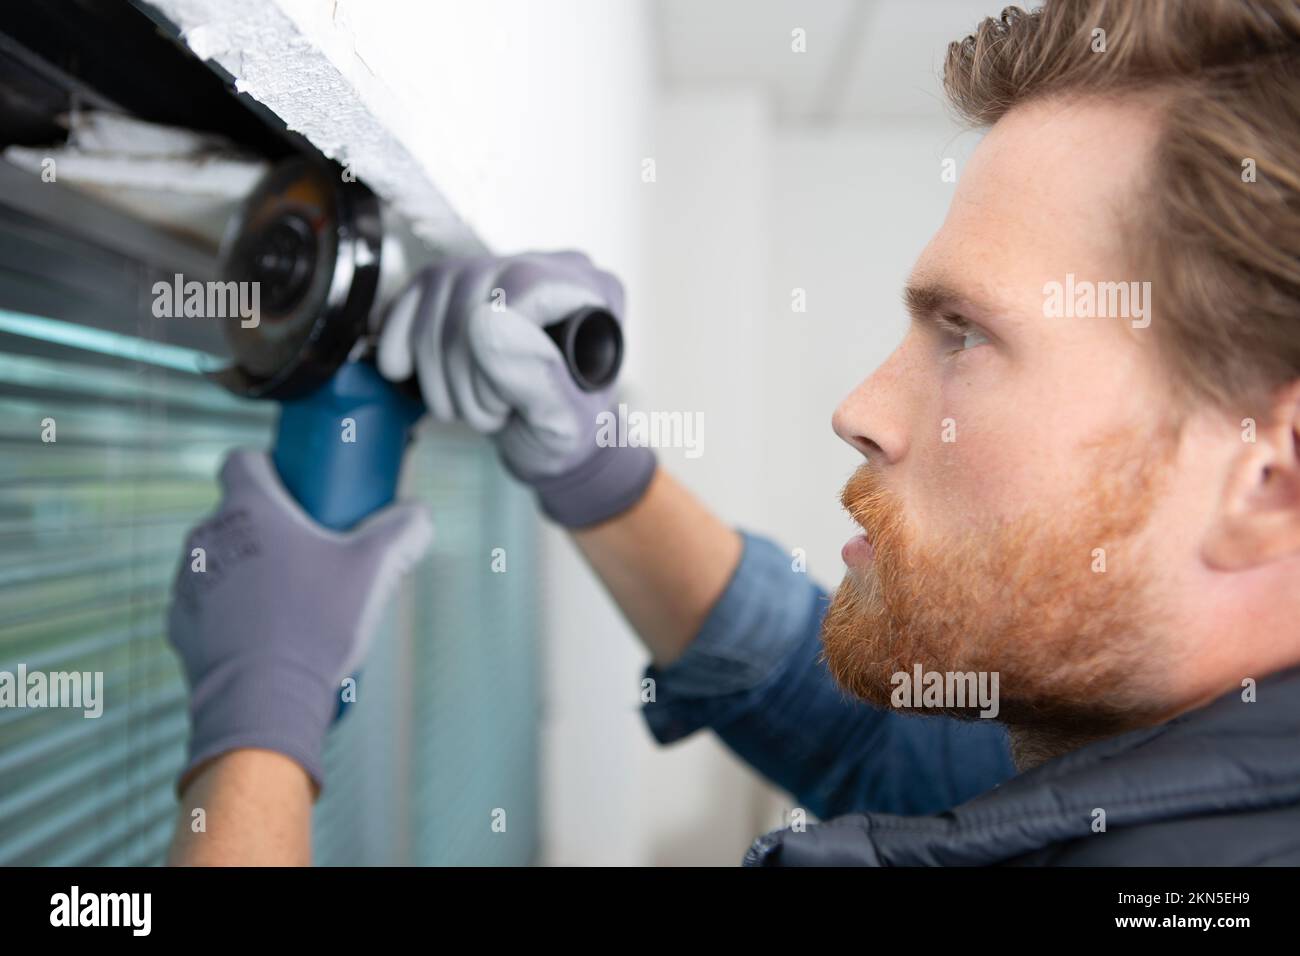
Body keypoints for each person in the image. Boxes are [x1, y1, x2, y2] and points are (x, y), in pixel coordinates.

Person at [167, 0, 1300, 866]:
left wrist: (255, 721)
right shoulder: (1167, 764)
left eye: (964, 333)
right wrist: (594, 472)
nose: (859, 409)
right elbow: (882, 752)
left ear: (1262, 476)